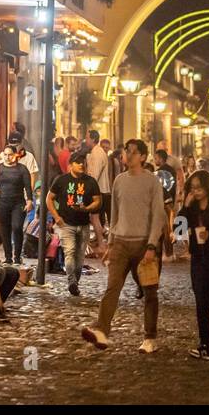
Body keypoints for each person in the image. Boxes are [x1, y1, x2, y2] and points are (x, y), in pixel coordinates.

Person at [81, 138, 166, 353]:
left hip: (143, 244)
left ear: (143, 157)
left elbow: (158, 215)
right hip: (120, 243)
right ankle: (101, 330)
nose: (127, 155)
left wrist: (152, 246)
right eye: (126, 151)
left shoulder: (152, 182)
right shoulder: (119, 180)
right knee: (112, 287)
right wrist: (109, 244)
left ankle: (150, 337)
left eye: (132, 152)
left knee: (149, 291)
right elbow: (115, 214)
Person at [181, 169, 209, 359]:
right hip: (198, 258)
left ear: (208, 187)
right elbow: (178, 230)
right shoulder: (191, 208)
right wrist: (184, 206)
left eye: (199, 188)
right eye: (192, 188)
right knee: (201, 300)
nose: (196, 192)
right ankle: (205, 344)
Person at [47, 146, 101, 296]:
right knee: (69, 253)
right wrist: (57, 217)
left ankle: (74, 281)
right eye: (78, 162)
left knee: (80, 257)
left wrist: (87, 208)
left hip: (83, 224)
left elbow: (98, 200)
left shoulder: (90, 181)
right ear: (71, 165)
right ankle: (71, 281)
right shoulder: (62, 180)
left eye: (83, 162)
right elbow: (49, 199)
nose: (81, 165)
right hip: (67, 224)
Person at [0, 136, 34, 265]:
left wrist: (29, 200)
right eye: (5, 155)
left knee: (17, 227)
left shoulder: (22, 169)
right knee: (4, 230)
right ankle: (8, 257)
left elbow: (28, 187)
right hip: (2, 202)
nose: (7, 157)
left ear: (15, 155)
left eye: (10, 155)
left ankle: (17, 255)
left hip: (18, 203)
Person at [85, 130, 111, 254]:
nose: (86, 140)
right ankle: (100, 241)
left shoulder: (97, 153)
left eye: (87, 138)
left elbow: (94, 175)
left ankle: (101, 243)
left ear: (92, 139)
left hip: (99, 191)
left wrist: (88, 192)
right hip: (101, 191)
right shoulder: (97, 152)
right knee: (95, 218)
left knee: (94, 218)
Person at [154, 149, 178, 258]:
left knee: (166, 228)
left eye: (156, 158)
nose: (155, 160)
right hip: (171, 199)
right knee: (169, 227)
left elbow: (159, 188)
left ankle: (168, 253)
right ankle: (170, 252)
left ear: (160, 158)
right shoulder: (172, 170)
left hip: (163, 201)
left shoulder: (160, 171)